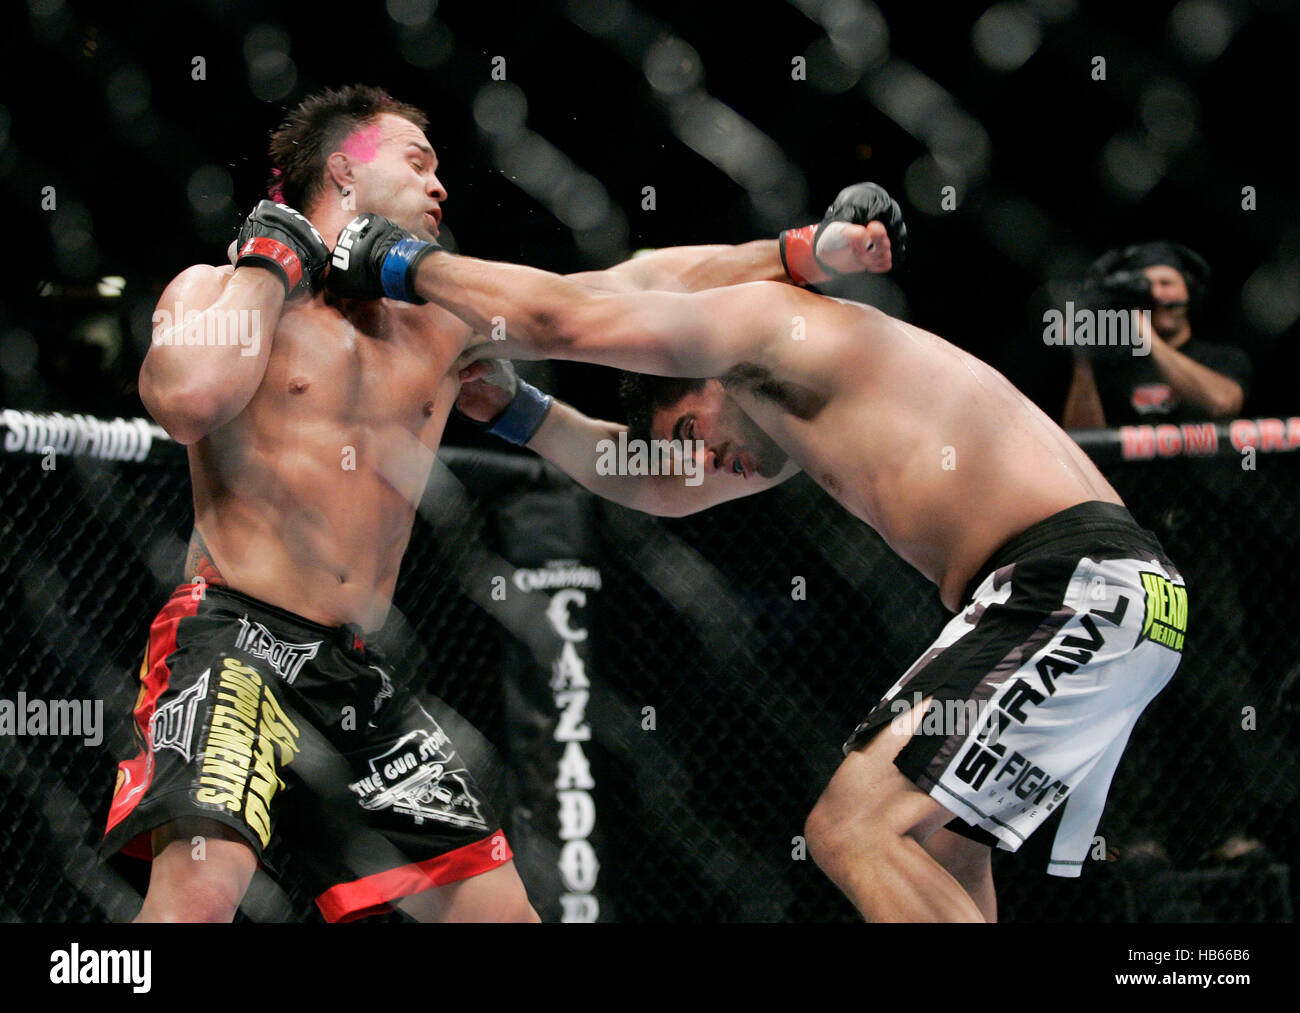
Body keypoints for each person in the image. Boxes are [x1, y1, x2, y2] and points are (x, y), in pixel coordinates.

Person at [100, 83, 898, 922]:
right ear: (343, 171)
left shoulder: (440, 328)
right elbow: (188, 400)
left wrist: (802, 251)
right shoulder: (220, 289)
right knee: (196, 896)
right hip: (234, 634)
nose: (440, 184)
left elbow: (628, 284)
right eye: (417, 162)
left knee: (500, 915)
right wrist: (270, 262)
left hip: (349, 664)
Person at [324, 208, 1191, 922]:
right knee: (934, 843)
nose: (704, 465)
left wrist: (404, 261)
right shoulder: (801, 411)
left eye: (690, 435)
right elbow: (662, 486)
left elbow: (562, 315)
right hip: (1100, 593)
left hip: (1069, 585)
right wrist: (522, 411)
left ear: (697, 378)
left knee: (854, 830)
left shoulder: (765, 327)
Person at [1062, 241, 1251, 427]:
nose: (1156, 294)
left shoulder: (1222, 358)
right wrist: (1083, 358)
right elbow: (1082, 439)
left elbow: (1223, 404)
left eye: (1166, 283)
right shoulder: (1117, 366)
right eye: (1145, 286)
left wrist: (1147, 337)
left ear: (1188, 292)